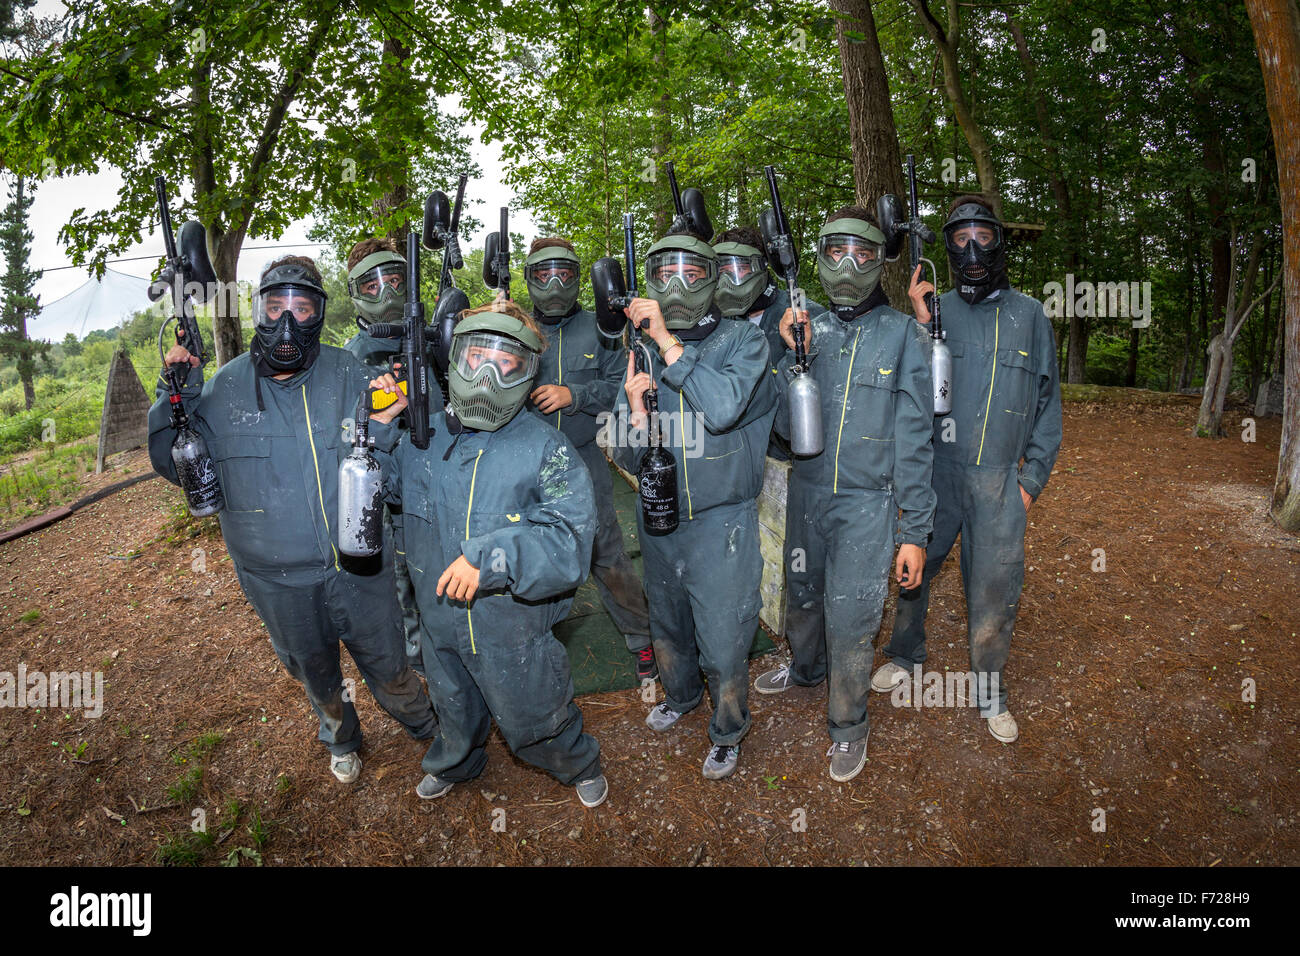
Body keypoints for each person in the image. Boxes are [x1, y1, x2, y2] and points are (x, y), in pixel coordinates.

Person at [147, 256, 437, 783]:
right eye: (274, 306)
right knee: (315, 673)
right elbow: (175, 463)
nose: (287, 322)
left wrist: (389, 425)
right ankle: (341, 737)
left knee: (390, 663)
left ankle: (423, 725)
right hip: (276, 581)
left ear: (320, 315)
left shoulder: (350, 373)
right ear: (257, 310)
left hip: (360, 567)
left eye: (301, 309)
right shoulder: (223, 390)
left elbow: (388, 462)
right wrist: (177, 394)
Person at [369, 300, 608, 807]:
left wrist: (492, 557)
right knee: (453, 706)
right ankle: (456, 762)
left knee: (535, 711)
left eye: (507, 365)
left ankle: (577, 762)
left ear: (528, 372)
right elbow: (381, 491)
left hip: (513, 624)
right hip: (438, 617)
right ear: (455, 359)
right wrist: (379, 429)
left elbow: (569, 541)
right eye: (478, 358)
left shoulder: (547, 448)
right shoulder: (422, 437)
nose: (488, 378)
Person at [750, 207, 935, 781]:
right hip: (807, 492)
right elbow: (781, 429)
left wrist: (915, 534)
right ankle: (805, 670)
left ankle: (849, 724)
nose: (849, 265)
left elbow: (916, 437)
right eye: (837, 252)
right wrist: (786, 357)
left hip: (867, 505)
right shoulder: (810, 329)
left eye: (863, 254)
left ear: (881, 261)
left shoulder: (904, 334)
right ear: (820, 256)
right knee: (801, 598)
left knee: (852, 618)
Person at [874, 195, 1063, 744]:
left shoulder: (1030, 315)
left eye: (982, 235)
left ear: (999, 241)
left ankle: (990, 690)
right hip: (939, 473)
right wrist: (922, 320)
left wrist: (1029, 483)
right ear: (949, 248)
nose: (972, 248)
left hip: (1001, 480)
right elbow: (916, 396)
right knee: (916, 569)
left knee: (995, 586)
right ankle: (906, 656)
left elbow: (1049, 407)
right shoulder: (937, 313)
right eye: (959, 238)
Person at [609, 228, 777, 780]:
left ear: (713, 279)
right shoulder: (640, 354)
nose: (677, 284)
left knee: (725, 637)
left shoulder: (744, 342)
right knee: (670, 624)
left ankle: (728, 729)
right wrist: (636, 415)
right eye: (664, 274)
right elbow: (626, 456)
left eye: (692, 273)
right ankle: (680, 698)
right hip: (658, 515)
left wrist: (668, 345)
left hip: (721, 522)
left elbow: (723, 408)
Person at [522, 237, 655, 681]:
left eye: (564, 273)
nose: (554, 283)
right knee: (527, 557)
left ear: (579, 279)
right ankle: (529, 651)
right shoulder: (515, 326)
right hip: (522, 464)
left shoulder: (604, 329)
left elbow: (622, 387)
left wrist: (573, 395)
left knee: (607, 555)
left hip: (581, 460)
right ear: (529, 279)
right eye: (543, 275)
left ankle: (642, 640)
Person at [342, 237, 446, 674]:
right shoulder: (349, 359)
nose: (386, 294)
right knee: (403, 584)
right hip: (389, 494)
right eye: (371, 287)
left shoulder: (435, 339)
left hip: (442, 480)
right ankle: (421, 671)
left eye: (395, 281)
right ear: (355, 295)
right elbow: (347, 436)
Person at [712, 226, 829, 462]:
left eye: (739, 269)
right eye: (721, 272)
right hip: (739, 459)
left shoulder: (805, 317)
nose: (728, 282)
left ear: (762, 268)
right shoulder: (717, 324)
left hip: (793, 460)